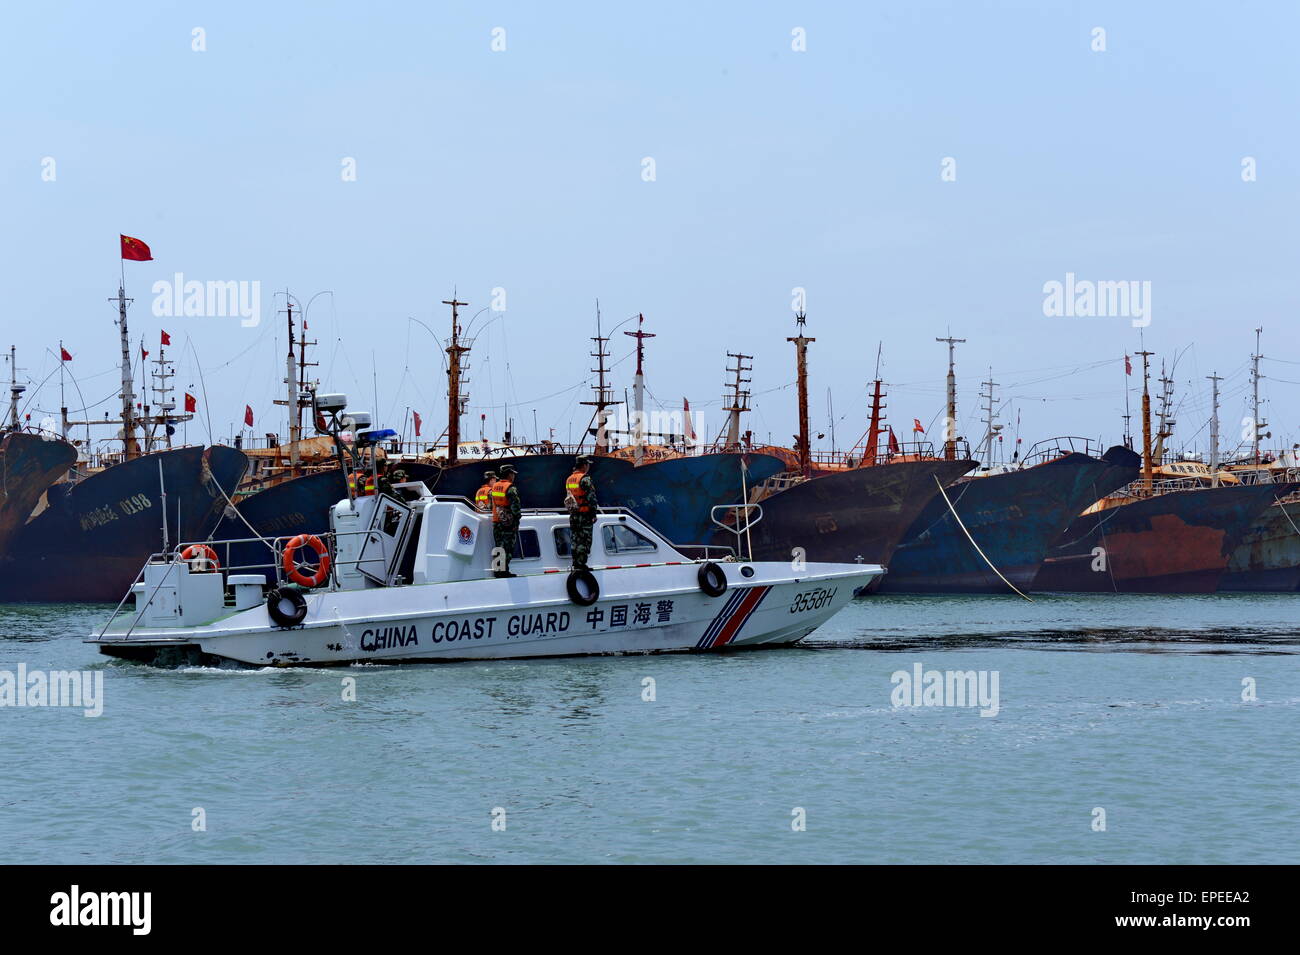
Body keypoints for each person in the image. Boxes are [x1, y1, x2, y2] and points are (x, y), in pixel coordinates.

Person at [565, 454, 598, 570]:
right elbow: (591, 498)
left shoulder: (569, 479)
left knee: (575, 539)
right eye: (588, 465)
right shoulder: (585, 479)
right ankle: (581, 564)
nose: (588, 467)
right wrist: (593, 514)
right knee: (584, 540)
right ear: (584, 465)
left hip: (574, 514)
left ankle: (575, 562)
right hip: (584, 514)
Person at [490, 464, 521, 577]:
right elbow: (515, 508)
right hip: (508, 522)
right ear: (509, 474)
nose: (513, 476)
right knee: (507, 546)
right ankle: (504, 571)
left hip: (496, 520)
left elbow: (491, 504)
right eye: (512, 474)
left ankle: (497, 570)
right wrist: (516, 521)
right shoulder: (510, 488)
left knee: (498, 545)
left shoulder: (493, 486)